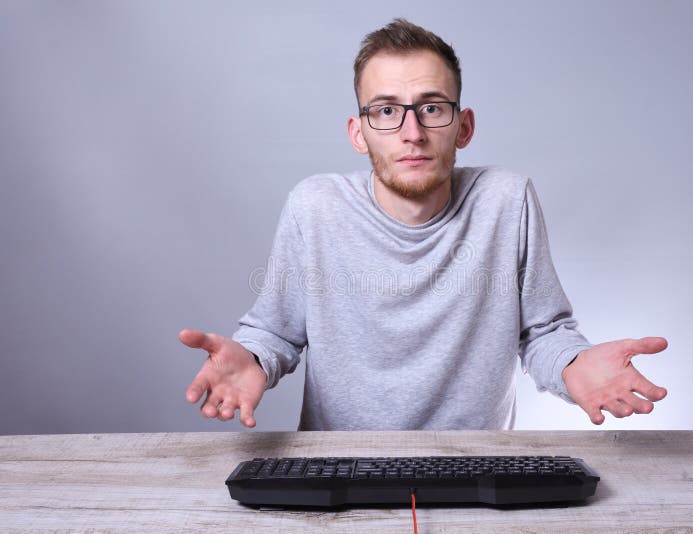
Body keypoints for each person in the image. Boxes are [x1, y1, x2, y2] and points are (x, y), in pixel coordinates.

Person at [178, 18, 668, 430]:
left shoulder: (506, 200)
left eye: (431, 108)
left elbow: (543, 332)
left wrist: (573, 364)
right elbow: (277, 332)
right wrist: (254, 358)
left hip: (475, 468)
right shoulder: (315, 207)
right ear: (359, 132)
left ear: (464, 126)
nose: (411, 133)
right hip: (342, 469)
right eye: (387, 110)